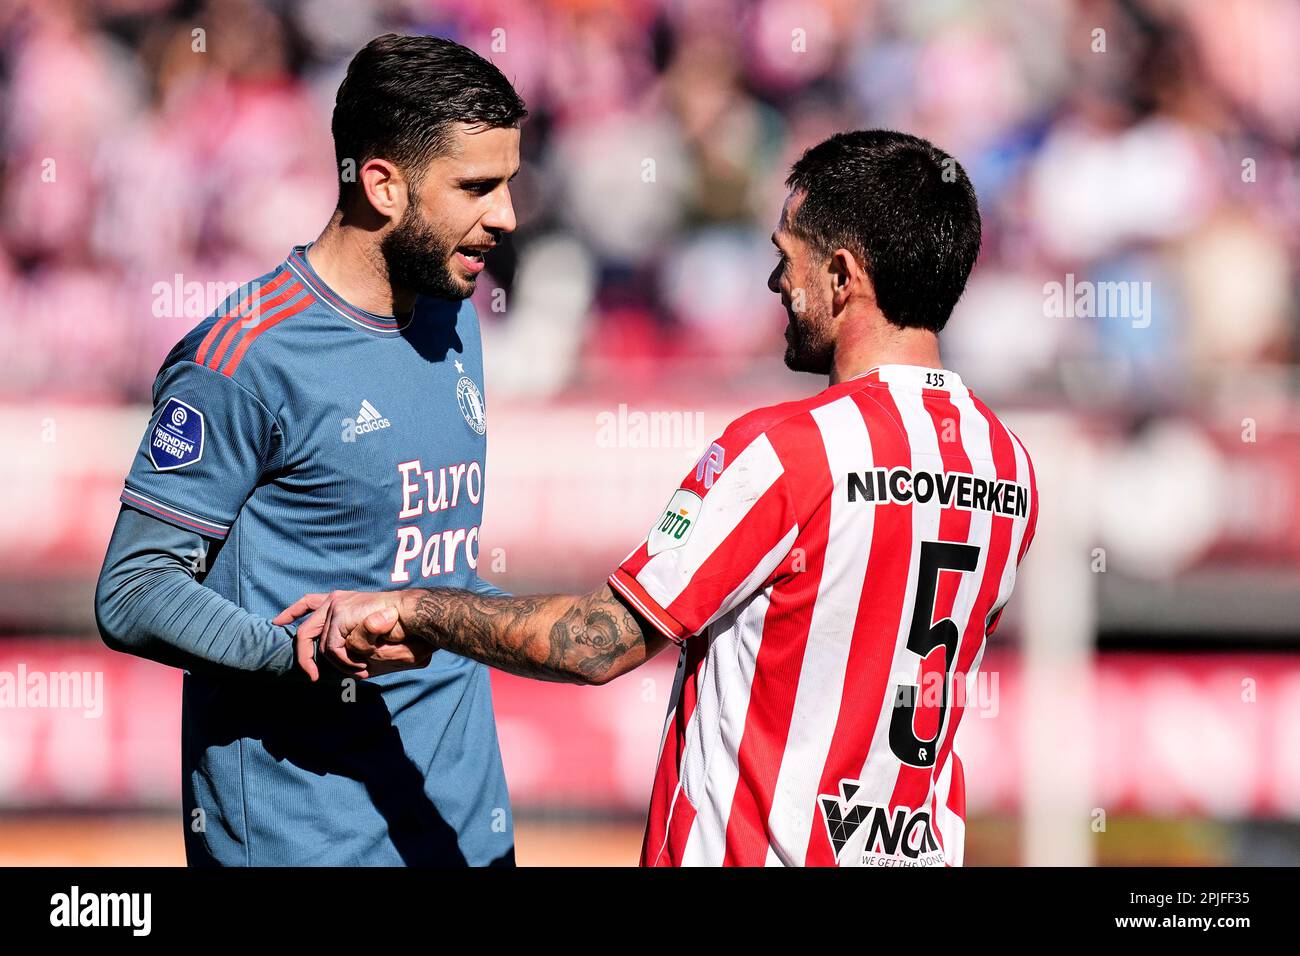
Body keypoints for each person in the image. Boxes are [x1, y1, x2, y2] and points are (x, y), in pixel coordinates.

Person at [282, 130, 1039, 867]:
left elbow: (598, 642)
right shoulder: (1010, 467)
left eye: (787, 259)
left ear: (842, 275)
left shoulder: (790, 451)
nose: (777, 283)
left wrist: (417, 608)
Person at [95, 34, 525, 866]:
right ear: (381, 184)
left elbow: (424, 563)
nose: (506, 215)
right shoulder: (244, 360)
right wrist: (295, 656)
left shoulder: (453, 312)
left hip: (461, 831)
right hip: (308, 840)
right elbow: (133, 590)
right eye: (477, 187)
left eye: (509, 182)